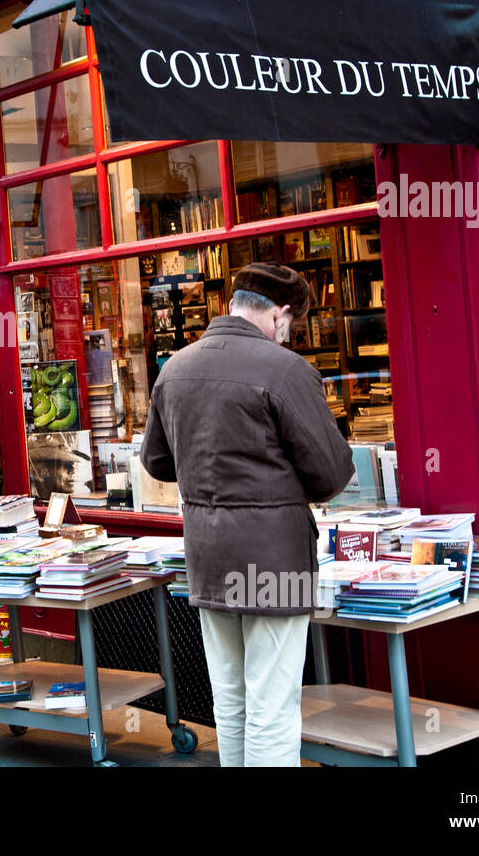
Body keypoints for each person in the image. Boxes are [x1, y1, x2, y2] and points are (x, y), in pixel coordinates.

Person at [140, 262, 355, 767]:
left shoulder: (175, 368)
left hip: (209, 558)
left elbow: (155, 461)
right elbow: (330, 474)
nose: (290, 334)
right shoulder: (286, 370)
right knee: (273, 705)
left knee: (230, 699)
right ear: (279, 314)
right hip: (276, 562)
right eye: (292, 324)